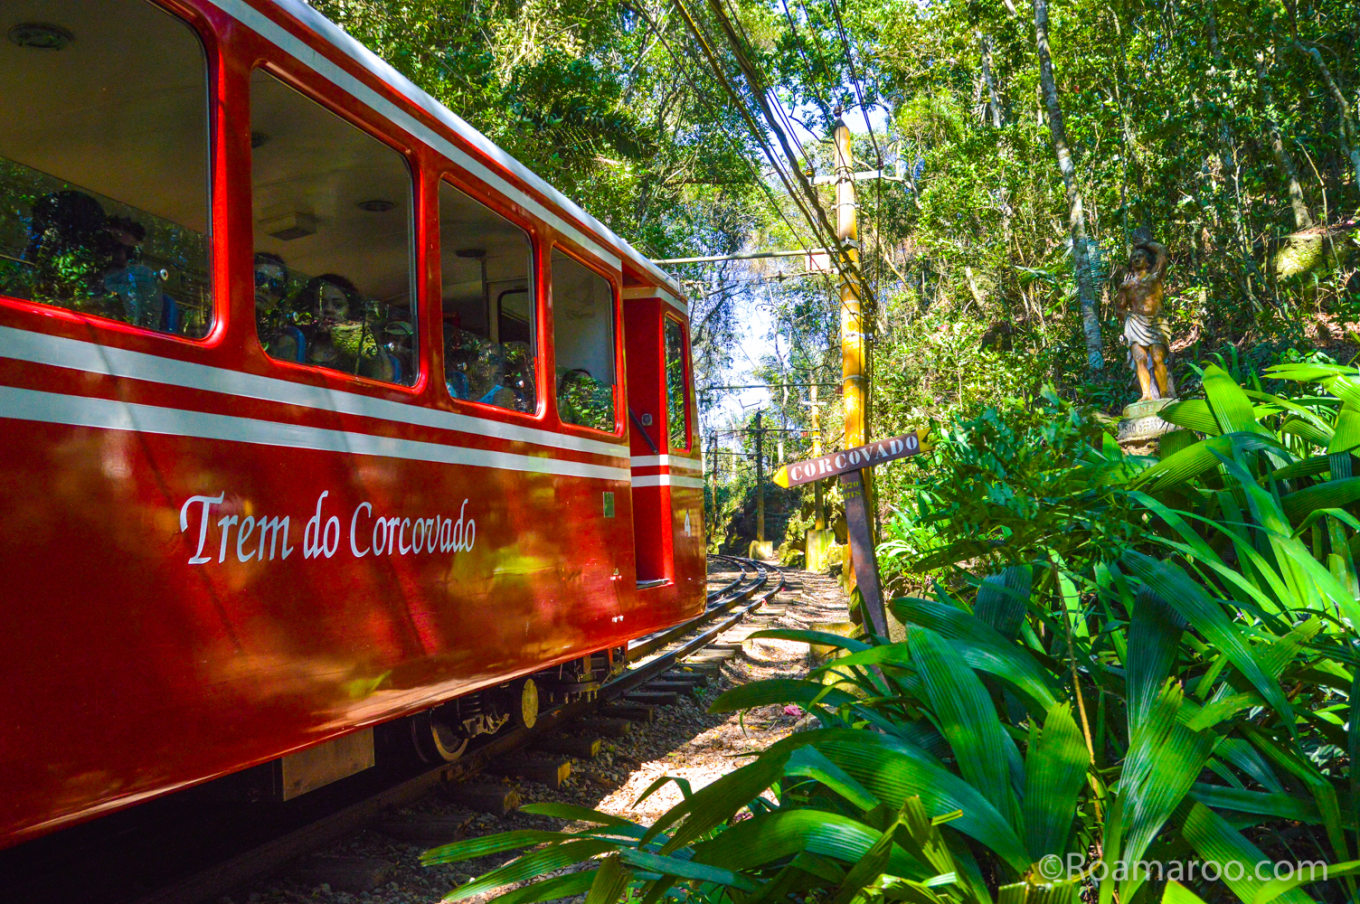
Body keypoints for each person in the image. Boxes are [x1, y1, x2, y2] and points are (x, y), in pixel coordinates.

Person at [298, 274, 393, 381]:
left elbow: (384, 380)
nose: (329, 310)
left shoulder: (362, 346)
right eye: (321, 304)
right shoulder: (300, 341)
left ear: (350, 311)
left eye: (338, 305)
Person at [1114, 238, 1172, 401]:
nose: (1137, 259)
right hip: (1135, 324)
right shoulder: (1126, 286)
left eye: (1140, 256)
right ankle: (1146, 395)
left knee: (1157, 357)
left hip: (1155, 322)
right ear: (1131, 264)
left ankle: (1164, 393)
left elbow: (1161, 249)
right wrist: (1126, 316)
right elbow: (1119, 308)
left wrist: (1142, 245)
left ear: (1147, 262)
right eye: (1134, 257)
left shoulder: (1155, 277)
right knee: (1140, 359)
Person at [254, 252, 304, 361]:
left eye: (275, 285)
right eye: (258, 278)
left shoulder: (284, 340)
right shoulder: (214, 323)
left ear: (279, 297)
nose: (265, 288)